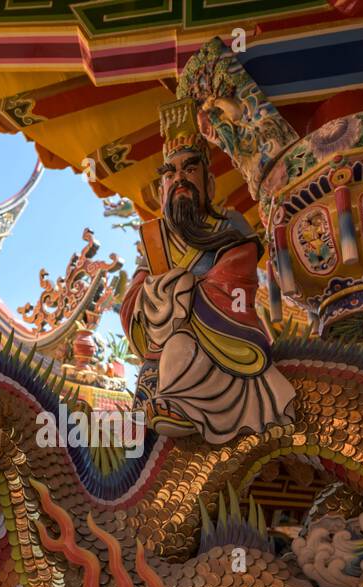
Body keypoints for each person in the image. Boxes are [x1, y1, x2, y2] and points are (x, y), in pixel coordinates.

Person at [119, 98, 295, 443]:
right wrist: (152, 301)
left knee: (181, 347)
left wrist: (184, 292)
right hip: (162, 348)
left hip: (223, 337)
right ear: (161, 191)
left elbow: (238, 278)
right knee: (164, 360)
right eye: (170, 174)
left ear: (209, 185)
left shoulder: (229, 224)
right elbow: (132, 301)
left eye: (189, 170)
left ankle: (183, 405)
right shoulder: (154, 240)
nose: (179, 178)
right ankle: (168, 404)